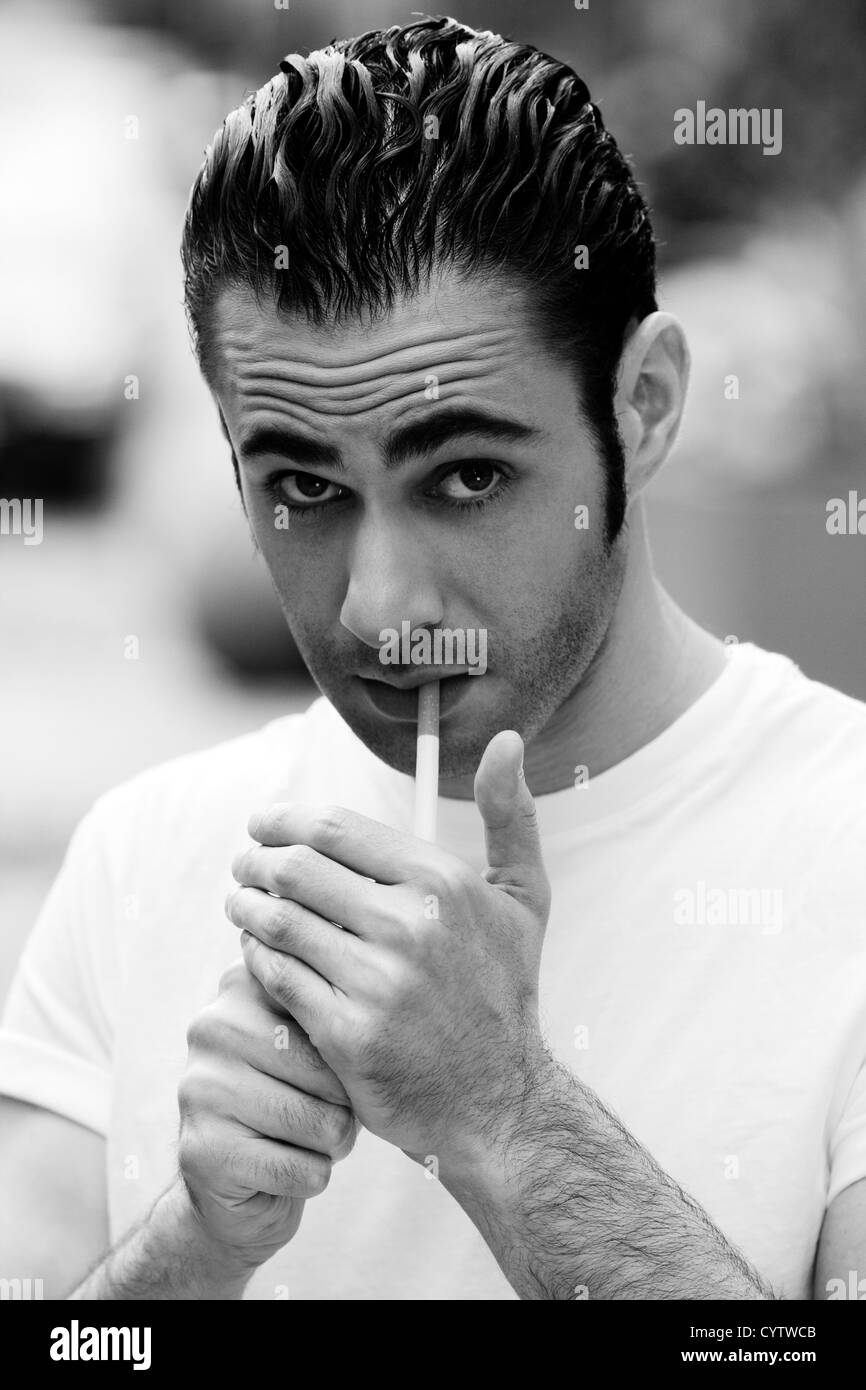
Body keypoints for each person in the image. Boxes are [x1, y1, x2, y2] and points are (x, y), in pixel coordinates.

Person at [2, 15, 865, 1301]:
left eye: (464, 474)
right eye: (303, 483)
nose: (381, 606)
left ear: (641, 408)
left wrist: (506, 1116)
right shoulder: (143, 859)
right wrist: (196, 1243)